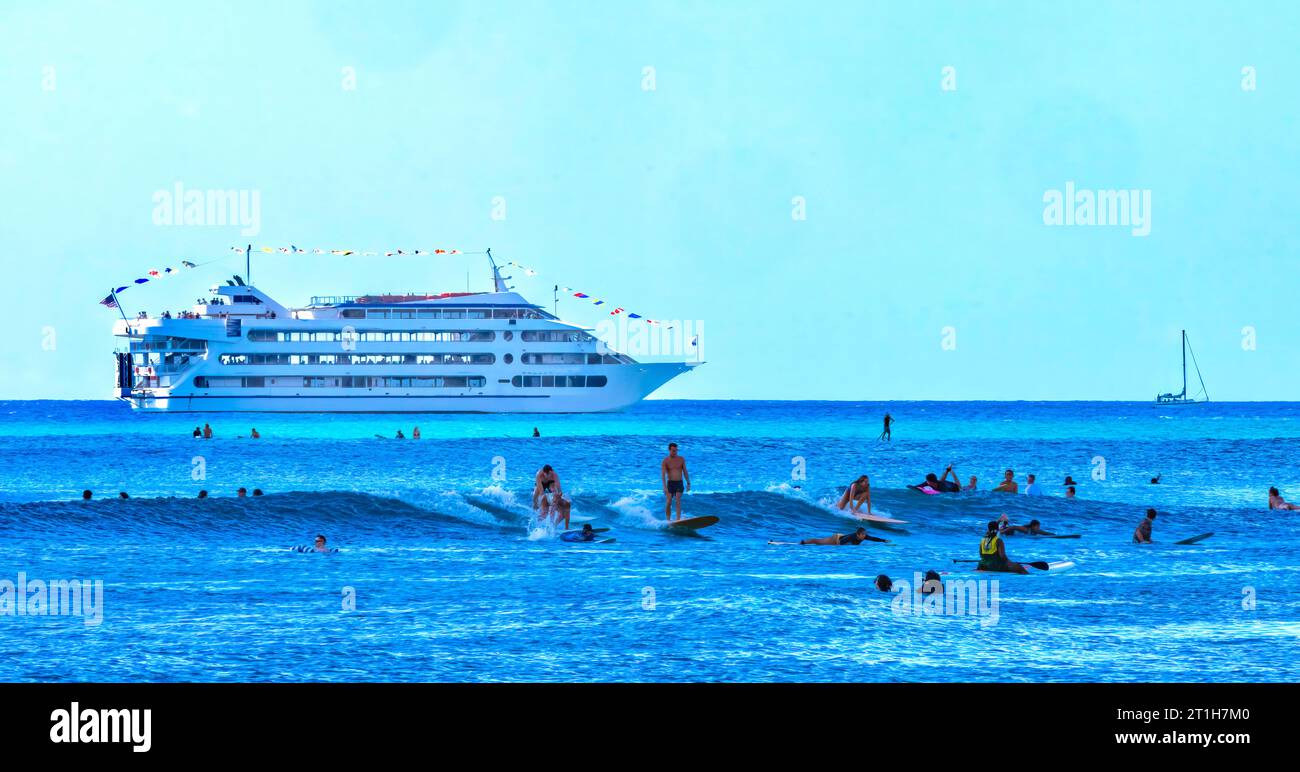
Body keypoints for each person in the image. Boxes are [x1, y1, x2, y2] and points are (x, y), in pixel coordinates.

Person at [661, 442, 691, 521]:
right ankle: (668, 520)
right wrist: (664, 487)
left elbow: (685, 471)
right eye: (673, 450)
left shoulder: (681, 459)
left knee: (678, 499)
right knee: (669, 501)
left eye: (676, 450)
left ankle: (678, 519)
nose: (675, 452)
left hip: (679, 483)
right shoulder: (665, 461)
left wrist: (688, 483)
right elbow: (663, 475)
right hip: (670, 484)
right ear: (669, 450)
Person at [800, 527, 884, 545]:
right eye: (863, 534)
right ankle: (803, 542)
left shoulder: (864, 537)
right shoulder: (852, 536)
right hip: (836, 538)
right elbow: (841, 542)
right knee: (818, 542)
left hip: (842, 537)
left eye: (865, 534)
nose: (865, 536)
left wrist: (883, 540)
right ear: (858, 534)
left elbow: (873, 538)